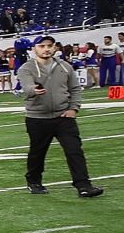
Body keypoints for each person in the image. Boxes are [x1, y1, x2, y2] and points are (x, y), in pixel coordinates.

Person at [17, 38, 104, 197]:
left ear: (55, 47)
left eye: (49, 46)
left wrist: (73, 109)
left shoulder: (65, 66)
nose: (46, 49)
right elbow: (26, 85)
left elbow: (75, 89)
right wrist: (33, 90)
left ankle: (83, 185)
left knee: (74, 150)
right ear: (34, 49)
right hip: (37, 118)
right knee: (38, 152)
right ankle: (34, 181)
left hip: (64, 117)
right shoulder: (26, 68)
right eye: (41, 46)